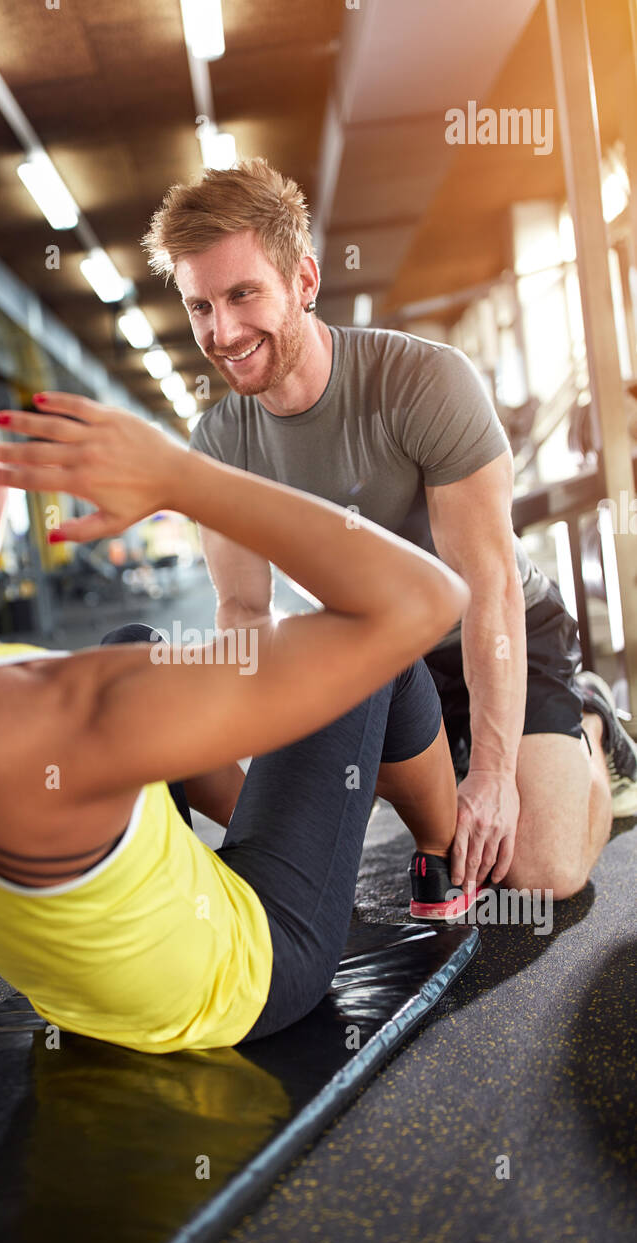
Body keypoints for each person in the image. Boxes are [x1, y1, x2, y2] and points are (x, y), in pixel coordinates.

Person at [0, 325, 469, 1054]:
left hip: (86, 1003)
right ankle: (445, 855)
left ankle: (282, 840)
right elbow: (424, 600)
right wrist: (181, 478)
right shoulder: (58, 709)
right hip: (255, 977)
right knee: (379, 663)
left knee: (133, 641)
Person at [141, 158, 637, 905]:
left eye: (243, 294)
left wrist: (498, 775)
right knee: (392, 822)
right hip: (381, 659)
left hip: (503, 631)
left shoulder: (424, 383)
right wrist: (261, 758)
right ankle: (455, 763)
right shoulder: (219, 443)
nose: (223, 330)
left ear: (304, 282)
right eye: (200, 306)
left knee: (538, 875)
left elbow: (489, 586)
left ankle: (594, 729)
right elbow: (244, 613)